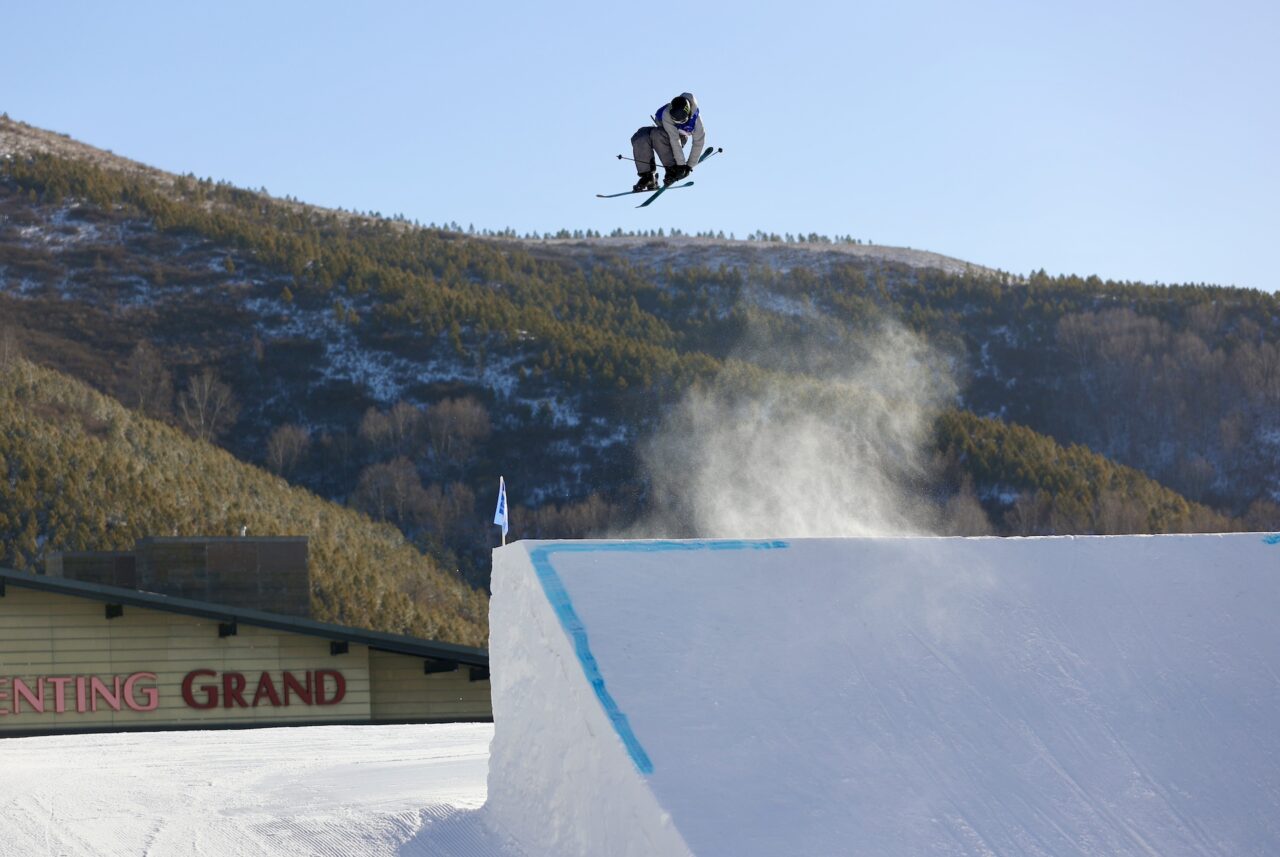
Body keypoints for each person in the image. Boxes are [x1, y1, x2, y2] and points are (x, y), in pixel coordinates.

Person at [631, 92, 706, 191]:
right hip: (667, 134)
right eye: (676, 121)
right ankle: (648, 177)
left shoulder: (696, 121)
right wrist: (682, 164)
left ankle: (671, 169)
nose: (678, 123)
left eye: (682, 121)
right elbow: (673, 137)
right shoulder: (667, 113)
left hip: (677, 138)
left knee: (658, 135)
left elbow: (698, 142)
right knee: (641, 136)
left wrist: (687, 166)